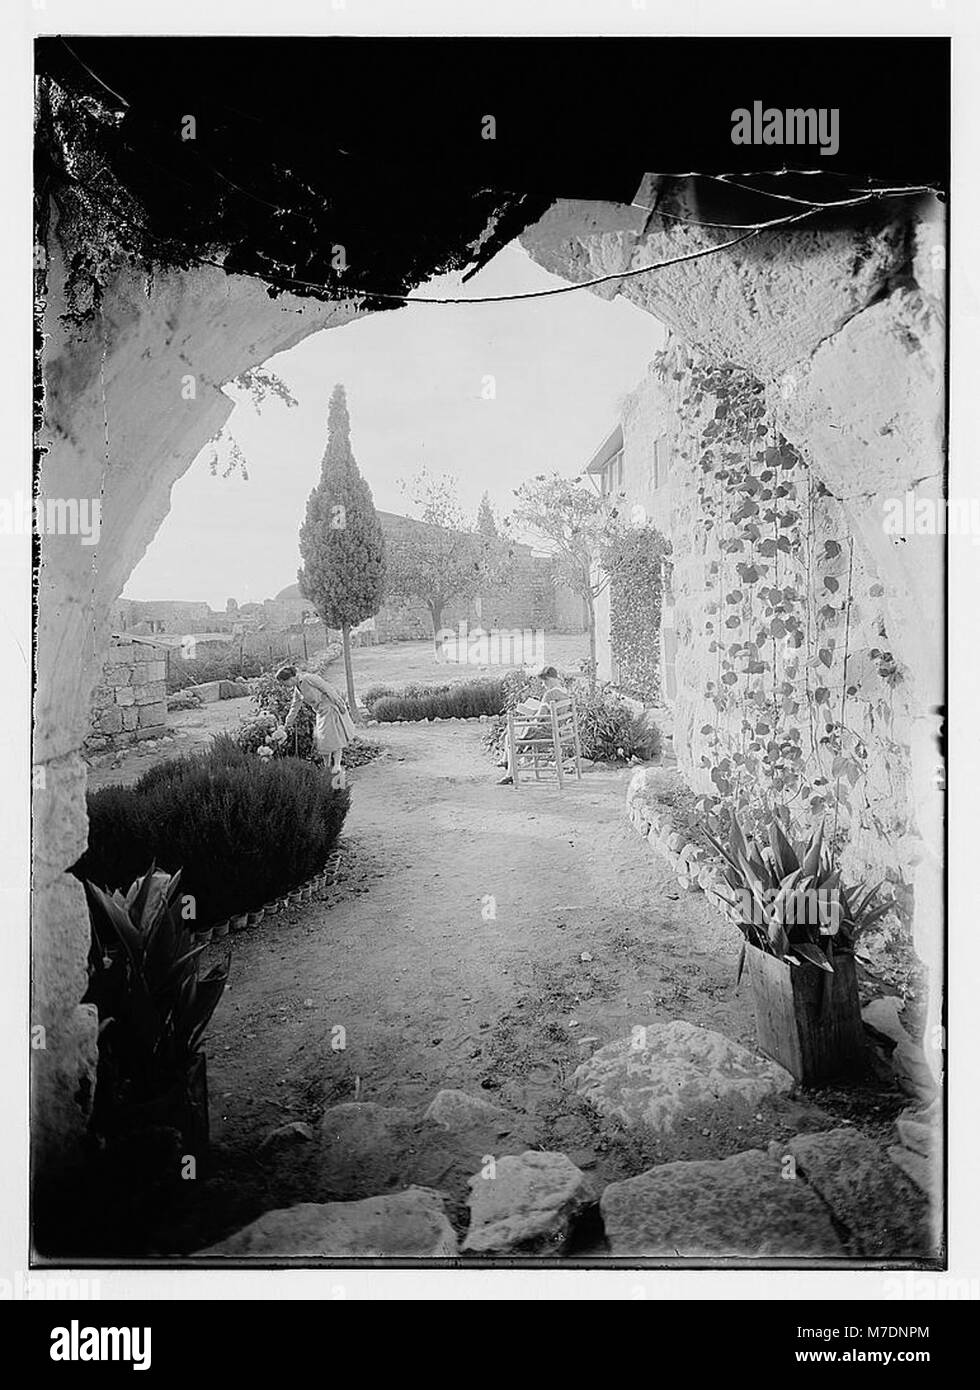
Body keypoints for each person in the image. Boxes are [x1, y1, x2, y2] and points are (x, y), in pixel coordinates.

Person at [276, 665, 355, 786]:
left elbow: (327, 689)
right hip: (320, 712)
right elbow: (294, 707)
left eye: (284, 682)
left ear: (290, 678)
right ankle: (327, 768)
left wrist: (339, 704)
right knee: (322, 742)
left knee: (333, 738)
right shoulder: (297, 689)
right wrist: (287, 724)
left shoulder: (308, 678)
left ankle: (336, 767)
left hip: (330, 708)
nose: (284, 685)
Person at [498, 665, 568, 784]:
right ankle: (505, 762)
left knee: (512, 731)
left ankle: (509, 772)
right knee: (511, 731)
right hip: (555, 728)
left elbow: (540, 717)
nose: (543, 685)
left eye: (543, 682)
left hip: (546, 730)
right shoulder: (564, 692)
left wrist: (530, 716)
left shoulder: (550, 694)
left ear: (549, 680)